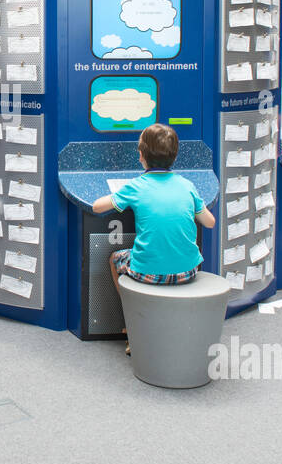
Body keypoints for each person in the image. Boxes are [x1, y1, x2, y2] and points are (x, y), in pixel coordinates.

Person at [91, 123, 216, 355]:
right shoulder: (188, 186)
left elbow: (98, 207)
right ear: (175, 155)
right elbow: (209, 222)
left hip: (147, 272)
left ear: (141, 156)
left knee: (114, 258)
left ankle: (133, 322)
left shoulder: (136, 186)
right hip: (188, 272)